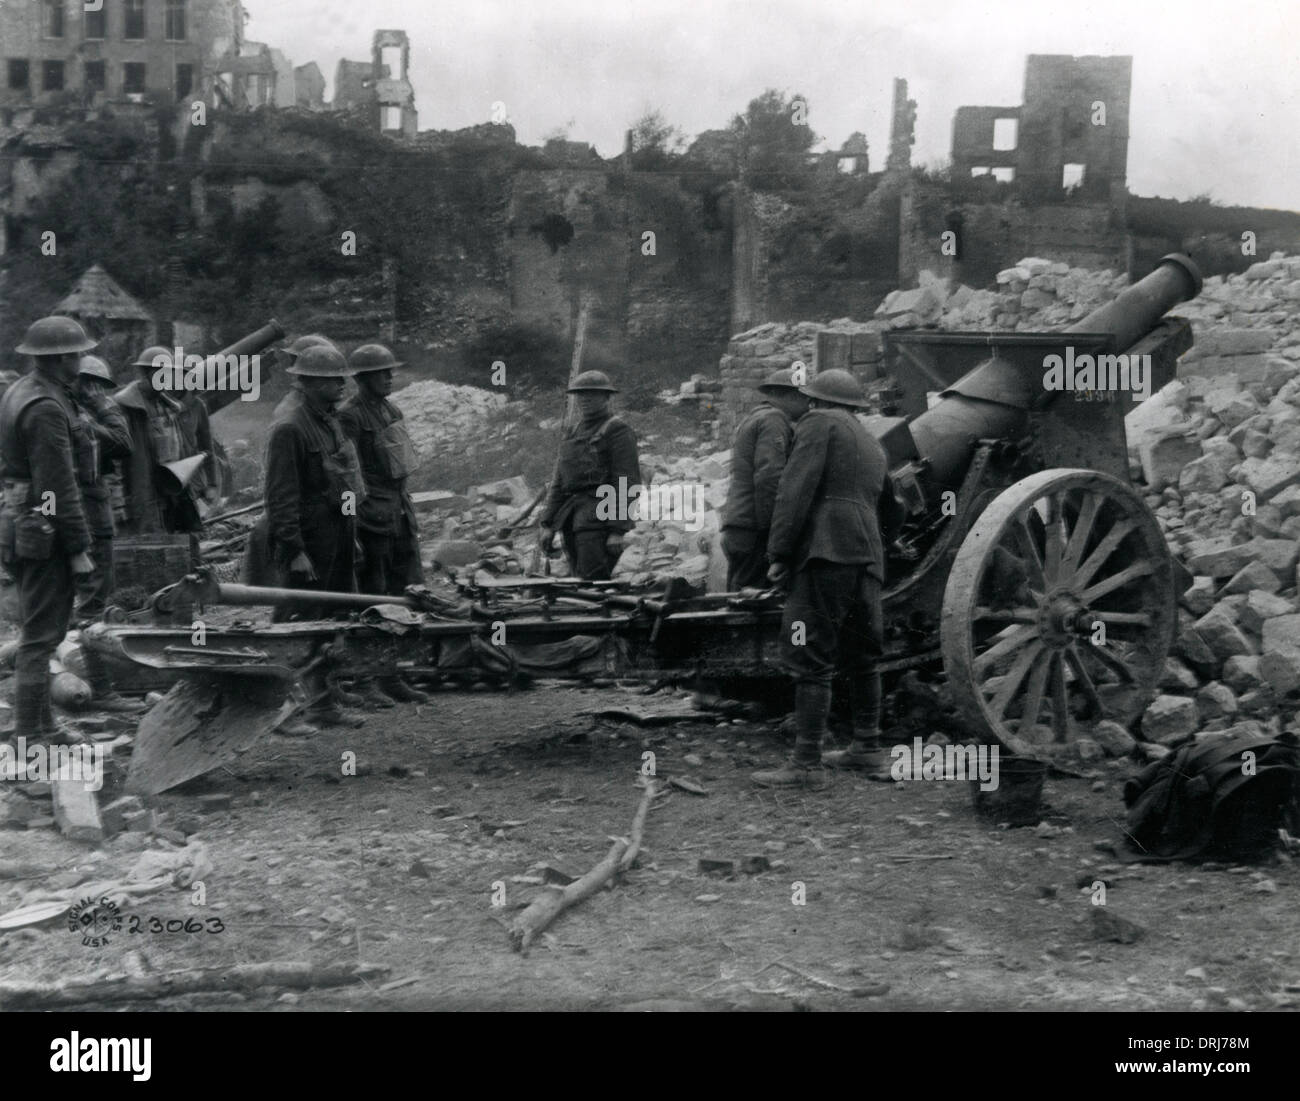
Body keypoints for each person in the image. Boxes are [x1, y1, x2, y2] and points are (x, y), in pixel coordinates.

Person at [752, 369, 894, 788]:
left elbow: (794, 490)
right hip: (867, 556)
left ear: (814, 400)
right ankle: (866, 746)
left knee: (808, 651)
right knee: (863, 654)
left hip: (824, 551)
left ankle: (805, 764)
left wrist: (779, 552)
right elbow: (893, 506)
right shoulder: (871, 441)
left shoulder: (817, 424)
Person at [0, 317, 99, 740]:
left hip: (24, 519)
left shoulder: (23, 391)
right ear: (62, 358)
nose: (83, 358)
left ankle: (41, 727)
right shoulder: (45, 407)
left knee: (39, 631)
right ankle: (30, 736)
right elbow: (56, 485)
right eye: (77, 352)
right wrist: (76, 546)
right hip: (43, 528)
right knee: (41, 637)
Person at [263, 345, 367, 733]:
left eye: (341, 378)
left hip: (336, 534)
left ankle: (322, 706)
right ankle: (280, 713)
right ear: (306, 383)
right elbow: (280, 496)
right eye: (330, 379)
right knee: (295, 626)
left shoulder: (330, 422)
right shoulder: (289, 427)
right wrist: (294, 550)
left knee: (329, 623)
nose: (340, 385)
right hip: (307, 540)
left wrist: (350, 533)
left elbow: (344, 480)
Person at [338, 343, 429, 705]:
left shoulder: (391, 409)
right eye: (382, 373)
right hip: (370, 516)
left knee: (401, 594)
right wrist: (352, 526)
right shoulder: (350, 417)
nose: (390, 377)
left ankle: (392, 676)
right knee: (372, 600)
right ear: (362, 378)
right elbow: (348, 474)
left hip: (398, 511)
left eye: (391, 371)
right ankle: (365, 681)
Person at [538, 371, 641, 581]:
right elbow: (560, 481)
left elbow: (627, 482)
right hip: (572, 518)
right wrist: (548, 524)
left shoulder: (617, 430)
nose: (585, 399)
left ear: (606, 397)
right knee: (579, 580)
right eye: (580, 394)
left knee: (594, 582)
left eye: (592, 394)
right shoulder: (573, 431)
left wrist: (618, 530)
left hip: (600, 519)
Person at [720, 367, 809, 590]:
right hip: (754, 531)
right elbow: (770, 478)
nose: (809, 405)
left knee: (738, 599)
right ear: (791, 396)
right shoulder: (774, 420)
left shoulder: (755, 418)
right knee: (752, 605)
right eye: (806, 398)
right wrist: (777, 533)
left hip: (740, 526)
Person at [111, 346, 205, 552]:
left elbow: (180, 451)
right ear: (146, 373)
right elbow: (114, 462)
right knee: (144, 554)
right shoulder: (124, 407)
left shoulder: (168, 406)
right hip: (141, 495)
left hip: (170, 494)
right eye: (161, 372)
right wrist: (118, 506)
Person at [72, 355, 132, 621]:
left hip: (93, 498)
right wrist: (101, 410)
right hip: (80, 499)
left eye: (98, 385)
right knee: (93, 572)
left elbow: (122, 445)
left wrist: (101, 409)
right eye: (90, 383)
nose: (95, 391)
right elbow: (121, 442)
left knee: (99, 570)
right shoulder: (73, 412)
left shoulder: (97, 411)